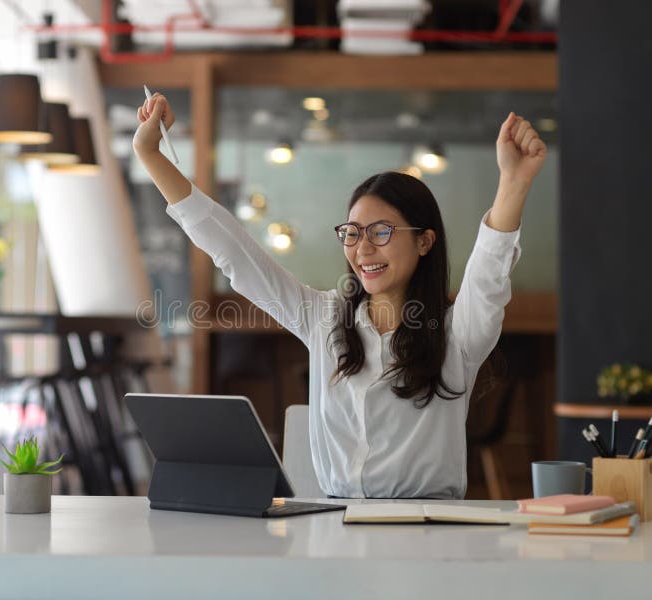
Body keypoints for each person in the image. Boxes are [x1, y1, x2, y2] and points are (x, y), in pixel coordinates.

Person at [133, 92, 547, 499]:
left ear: (424, 241)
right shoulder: (324, 318)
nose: (362, 249)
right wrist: (150, 155)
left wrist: (514, 182)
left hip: (426, 526)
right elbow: (234, 253)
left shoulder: (458, 333)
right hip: (336, 523)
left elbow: (488, 274)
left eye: (381, 232)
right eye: (352, 233)